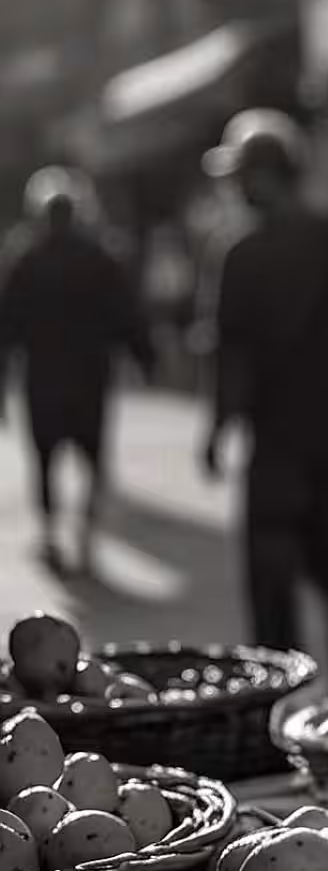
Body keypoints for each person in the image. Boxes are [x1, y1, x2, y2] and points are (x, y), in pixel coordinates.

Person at [200, 110, 328, 690]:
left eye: (240, 175)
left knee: (273, 605)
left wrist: (217, 429)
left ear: (263, 177)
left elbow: (231, 354)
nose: (235, 187)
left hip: (279, 450)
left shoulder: (242, 255)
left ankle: (281, 721)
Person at [0, 168, 153, 574]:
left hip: (44, 382)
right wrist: (145, 357)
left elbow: (6, 328)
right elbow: (128, 314)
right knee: (91, 456)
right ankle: (83, 528)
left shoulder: (26, 261)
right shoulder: (99, 258)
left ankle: (52, 533)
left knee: (46, 460)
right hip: (89, 379)